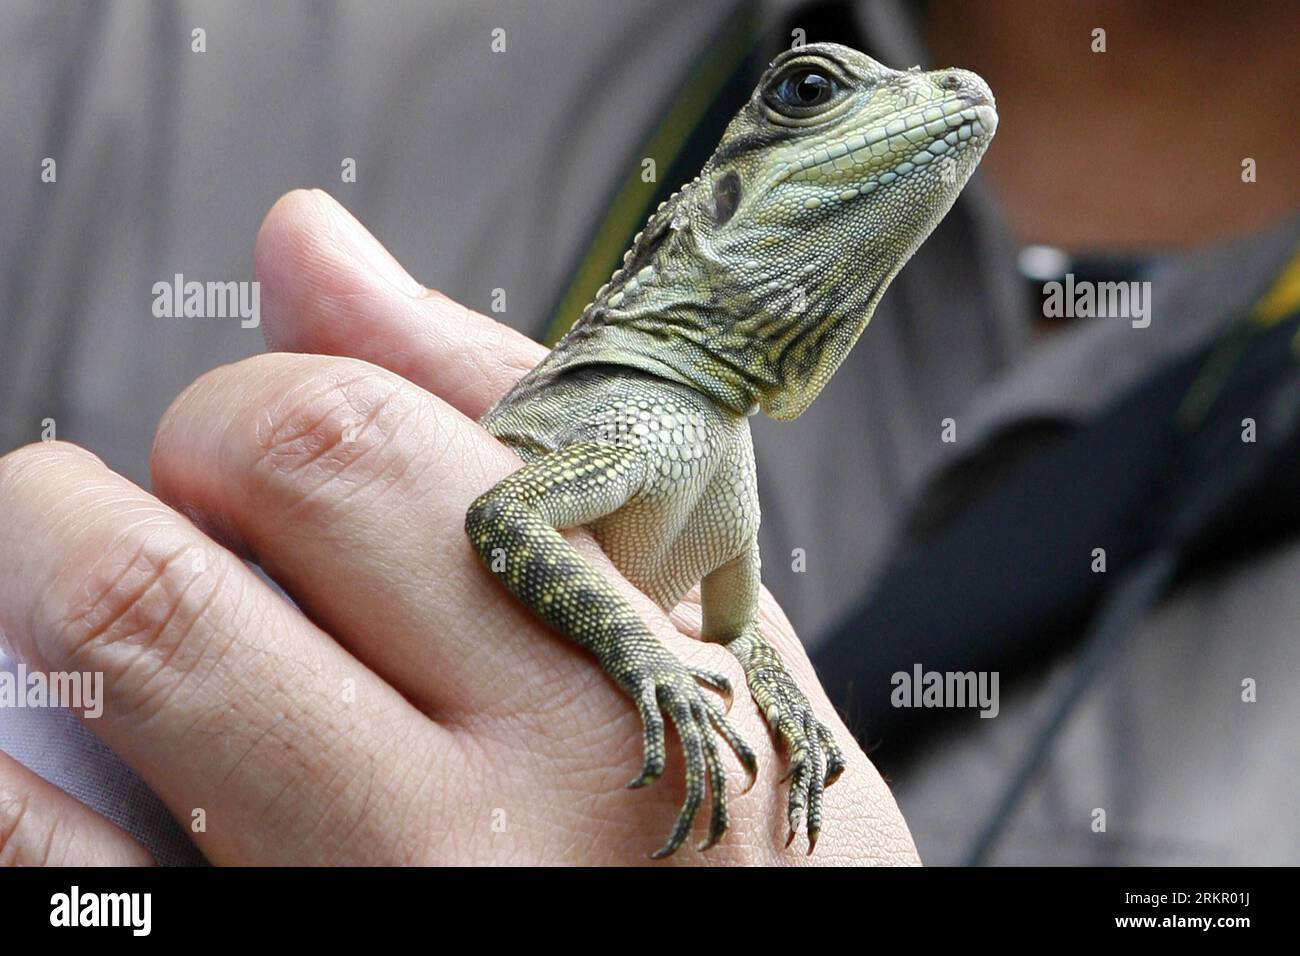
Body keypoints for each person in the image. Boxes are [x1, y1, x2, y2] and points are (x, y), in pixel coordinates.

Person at [1, 0, 1297, 865]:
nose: (941, 96)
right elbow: (507, 515)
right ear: (722, 198)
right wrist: (646, 657)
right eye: (811, 97)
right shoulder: (123, 50)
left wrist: (775, 718)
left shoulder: (713, 455)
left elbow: (736, 638)